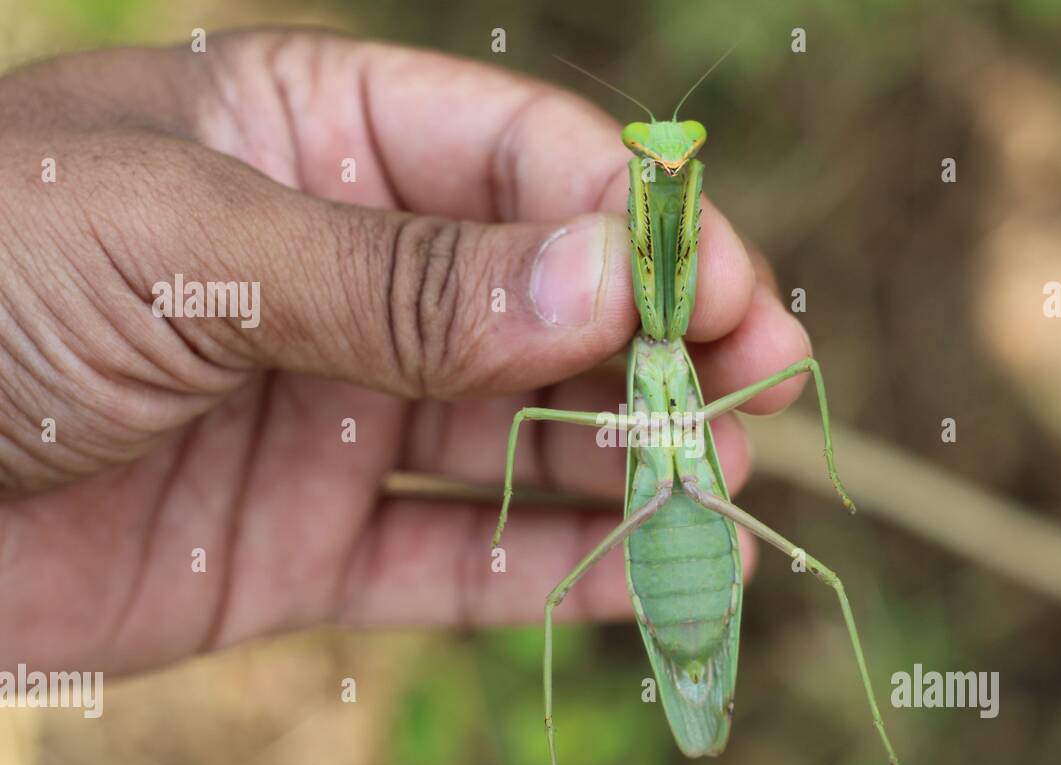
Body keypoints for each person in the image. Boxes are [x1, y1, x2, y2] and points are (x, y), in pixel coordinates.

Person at [0, 30, 817, 674]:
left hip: (690, 500)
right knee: (560, 579)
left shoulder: (671, 203)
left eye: (683, 155)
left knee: (802, 446)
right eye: (652, 151)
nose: (670, 160)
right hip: (658, 478)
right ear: (641, 162)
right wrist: (425, 299)